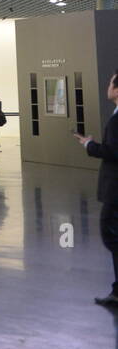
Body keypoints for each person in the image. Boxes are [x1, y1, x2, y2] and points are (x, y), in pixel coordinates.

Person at [75, 69, 118, 306]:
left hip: (115, 189)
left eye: (111, 82)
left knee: (111, 236)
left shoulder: (117, 119)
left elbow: (114, 152)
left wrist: (91, 145)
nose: (108, 86)